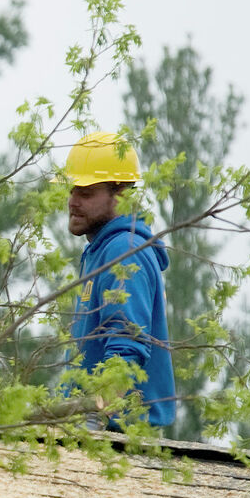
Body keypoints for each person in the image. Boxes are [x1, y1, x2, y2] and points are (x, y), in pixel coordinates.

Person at [64, 130, 175, 429]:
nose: (73, 201)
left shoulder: (124, 252)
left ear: (121, 195)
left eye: (86, 193)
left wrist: (94, 421)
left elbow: (127, 347)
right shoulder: (101, 250)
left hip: (116, 437)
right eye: (73, 190)